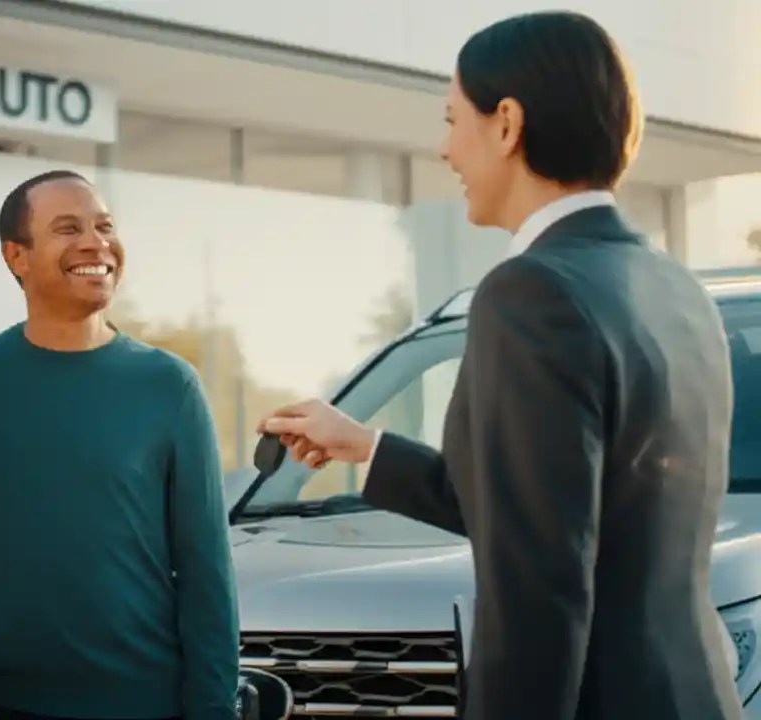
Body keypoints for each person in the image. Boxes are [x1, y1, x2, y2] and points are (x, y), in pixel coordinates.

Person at [260, 11, 744, 720]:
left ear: (508, 123)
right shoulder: (676, 288)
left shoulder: (530, 293)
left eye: (454, 119)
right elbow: (550, 514)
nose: (446, 149)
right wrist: (364, 447)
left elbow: (540, 583)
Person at [0, 170, 239, 720]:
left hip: (140, 706)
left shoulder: (168, 384)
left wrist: (214, 710)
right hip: (4, 705)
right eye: (68, 228)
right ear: (16, 257)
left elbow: (206, 571)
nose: (96, 243)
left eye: (104, 226)